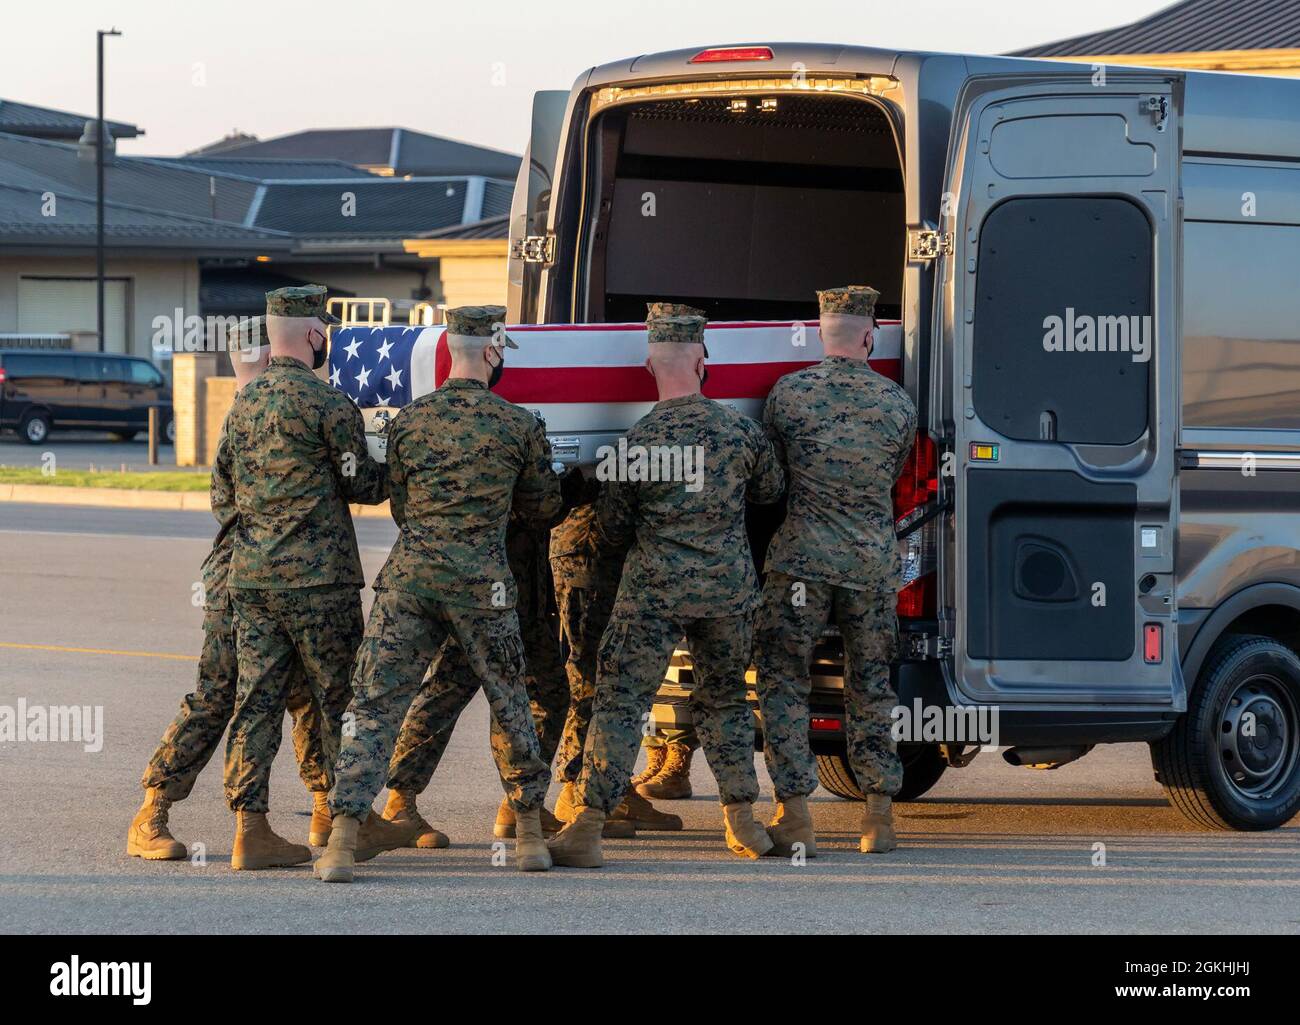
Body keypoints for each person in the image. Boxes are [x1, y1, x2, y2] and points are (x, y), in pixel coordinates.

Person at [315, 305, 562, 882]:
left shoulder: (410, 420)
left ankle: (342, 840)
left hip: (411, 579)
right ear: (494, 353)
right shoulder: (518, 425)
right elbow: (543, 508)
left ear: (450, 352)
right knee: (510, 700)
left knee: (374, 706)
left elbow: (397, 502)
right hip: (485, 584)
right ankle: (528, 836)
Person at [548, 310, 784, 868]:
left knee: (621, 702)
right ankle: (743, 823)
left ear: (649, 365)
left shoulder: (635, 444)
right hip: (727, 588)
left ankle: (587, 827)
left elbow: (610, 532)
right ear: (704, 362)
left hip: (651, 590)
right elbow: (770, 492)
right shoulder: (741, 431)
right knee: (724, 699)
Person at [127, 319, 333, 858]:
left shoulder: (244, 416)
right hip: (254, 578)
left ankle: (321, 808)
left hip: (253, 575)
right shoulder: (268, 415)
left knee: (294, 693)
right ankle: (156, 810)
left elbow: (224, 500)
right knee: (233, 693)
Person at [219, 286, 393, 871]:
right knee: (340, 698)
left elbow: (223, 493)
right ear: (316, 334)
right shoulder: (328, 405)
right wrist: (389, 459)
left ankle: (251, 830)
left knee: (257, 702)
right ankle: (347, 820)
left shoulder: (241, 404)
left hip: (252, 580)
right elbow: (361, 485)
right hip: (321, 584)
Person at [753, 285, 917, 855]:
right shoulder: (897, 403)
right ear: (870, 337)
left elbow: (771, 479)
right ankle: (878, 818)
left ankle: (795, 814)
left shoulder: (789, 393)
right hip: (870, 565)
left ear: (821, 335)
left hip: (801, 562)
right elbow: (894, 473)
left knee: (784, 679)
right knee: (870, 685)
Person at [380, 513, 572, 845]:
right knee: (448, 688)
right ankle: (401, 799)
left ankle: (522, 802)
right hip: (478, 586)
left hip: (518, 585)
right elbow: (543, 502)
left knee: (546, 692)